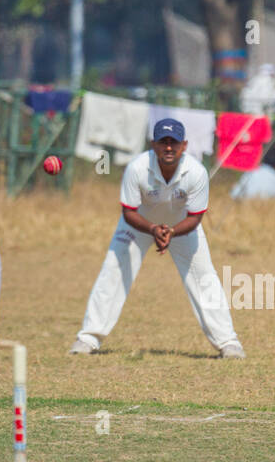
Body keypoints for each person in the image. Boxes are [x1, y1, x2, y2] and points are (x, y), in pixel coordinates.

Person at [69, 119, 245, 358]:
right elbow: (128, 212)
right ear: (154, 144)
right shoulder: (137, 168)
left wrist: (171, 232)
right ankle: (87, 339)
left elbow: (195, 218)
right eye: (163, 142)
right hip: (139, 222)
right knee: (114, 270)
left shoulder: (196, 172)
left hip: (182, 225)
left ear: (184, 145)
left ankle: (228, 343)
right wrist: (153, 229)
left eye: (174, 142)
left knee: (204, 277)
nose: (169, 147)